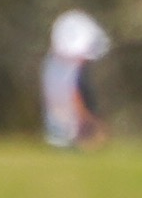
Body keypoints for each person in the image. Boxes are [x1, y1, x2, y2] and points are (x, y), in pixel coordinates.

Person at [40, 8, 111, 149]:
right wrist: (89, 121)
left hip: (61, 133)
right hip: (69, 135)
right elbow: (74, 96)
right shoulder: (64, 70)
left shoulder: (53, 66)